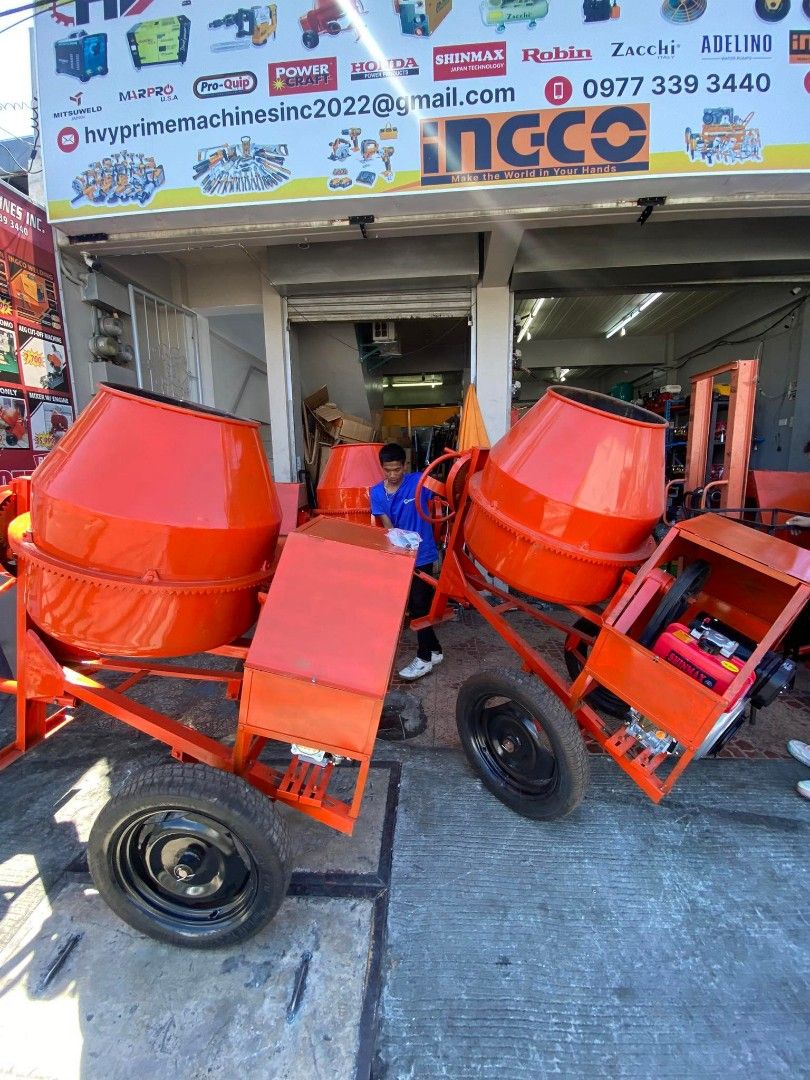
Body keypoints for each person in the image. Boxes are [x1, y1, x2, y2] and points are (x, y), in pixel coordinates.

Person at [370, 443, 443, 681]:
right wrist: (398, 549)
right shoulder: (377, 493)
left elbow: (448, 489)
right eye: (388, 470)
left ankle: (423, 659)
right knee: (416, 606)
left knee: (420, 605)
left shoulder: (419, 482)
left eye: (397, 469)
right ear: (382, 468)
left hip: (423, 554)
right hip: (401, 555)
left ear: (405, 466)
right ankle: (435, 651)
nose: (393, 475)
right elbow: (387, 525)